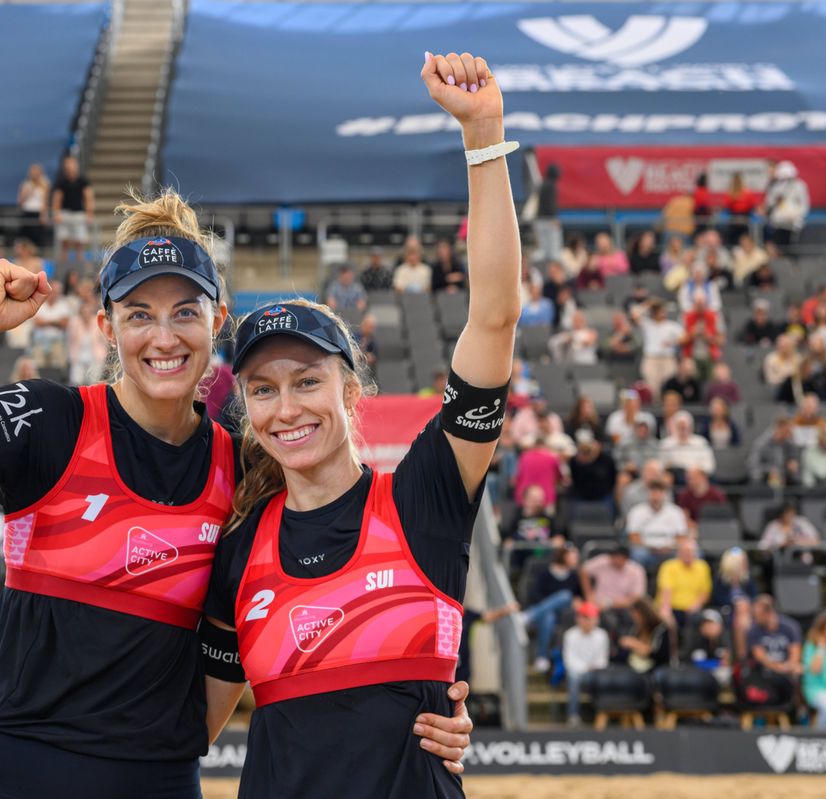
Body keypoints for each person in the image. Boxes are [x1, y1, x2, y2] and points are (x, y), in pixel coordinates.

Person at [0, 186, 473, 797]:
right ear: (106, 326)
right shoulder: (47, 421)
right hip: (12, 770)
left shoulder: (245, 472)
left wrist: (425, 706)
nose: (164, 337)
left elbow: (314, 606)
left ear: (216, 320)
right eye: (139, 314)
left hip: (154, 781)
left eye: (184, 312)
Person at [200, 53, 517, 797]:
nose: (288, 408)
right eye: (264, 389)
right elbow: (186, 726)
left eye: (308, 381)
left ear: (351, 391)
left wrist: (485, 135)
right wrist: (27, 685)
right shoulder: (240, 549)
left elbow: (495, 321)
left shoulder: (424, 497)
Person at [519, 546, 584, 674]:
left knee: (565, 595)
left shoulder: (575, 575)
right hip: (545, 613)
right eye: (573, 556)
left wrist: (577, 600)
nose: (576, 559)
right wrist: (550, 604)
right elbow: (535, 594)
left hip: (564, 612)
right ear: (564, 556)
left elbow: (578, 595)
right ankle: (541, 657)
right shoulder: (545, 572)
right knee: (548, 617)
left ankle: (529, 616)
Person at [562, 601, 608, 727]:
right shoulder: (570, 635)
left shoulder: (602, 635)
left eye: (591, 618)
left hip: (595, 672)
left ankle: (602, 714)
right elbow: (569, 660)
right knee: (573, 676)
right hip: (578, 672)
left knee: (603, 677)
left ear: (596, 620)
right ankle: (573, 715)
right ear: (578, 619)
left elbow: (602, 660)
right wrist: (586, 668)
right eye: (585, 618)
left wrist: (593, 668)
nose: (588, 621)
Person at [625, 479, 687, 569]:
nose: (656, 496)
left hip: (670, 549)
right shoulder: (637, 511)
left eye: (659, 492)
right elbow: (633, 536)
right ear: (647, 493)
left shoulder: (676, 512)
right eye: (653, 492)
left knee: (692, 553)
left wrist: (668, 547)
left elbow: (681, 537)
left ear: (665, 494)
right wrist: (651, 548)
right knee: (637, 554)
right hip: (646, 549)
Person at [655, 536, 712, 628]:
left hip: (692, 609)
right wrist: (666, 609)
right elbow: (666, 590)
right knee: (665, 620)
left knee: (701, 620)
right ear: (679, 553)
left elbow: (705, 592)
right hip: (672, 607)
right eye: (685, 551)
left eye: (691, 552)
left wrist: (695, 605)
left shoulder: (702, 567)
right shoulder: (669, 566)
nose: (688, 554)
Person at [51, 155, 94, 262]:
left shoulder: (83, 181)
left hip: (78, 214)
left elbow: (88, 197)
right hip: (65, 214)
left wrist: (89, 214)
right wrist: (56, 213)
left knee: (80, 243)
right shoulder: (61, 182)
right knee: (64, 243)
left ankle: (79, 268)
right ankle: (64, 268)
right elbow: (57, 198)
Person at [763, 160, 809, 253]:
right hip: (778, 223)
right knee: (779, 248)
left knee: (793, 249)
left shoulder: (800, 186)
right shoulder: (775, 187)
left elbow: (804, 204)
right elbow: (769, 203)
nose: (787, 181)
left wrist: (797, 216)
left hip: (794, 223)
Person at [617, 597, 671, 674]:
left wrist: (637, 645)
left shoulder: (661, 630)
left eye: (637, 615)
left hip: (655, 668)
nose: (635, 618)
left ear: (645, 613)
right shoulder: (635, 628)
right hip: (633, 666)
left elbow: (663, 657)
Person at [802, 609, 826, 731]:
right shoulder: (812, 646)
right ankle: (821, 738)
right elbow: (815, 670)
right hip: (816, 690)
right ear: (823, 629)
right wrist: (821, 649)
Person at [533, 163, 561, 262]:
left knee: (543, 250)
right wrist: (554, 218)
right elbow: (550, 204)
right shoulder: (551, 186)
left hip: (539, 219)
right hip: (549, 220)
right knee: (553, 251)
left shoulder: (542, 184)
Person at [18, 163, 51, 248]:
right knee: (26, 237)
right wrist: (28, 191)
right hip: (27, 212)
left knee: (38, 237)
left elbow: (45, 201)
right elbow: (20, 201)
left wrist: (43, 215)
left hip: (38, 212)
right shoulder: (26, 184)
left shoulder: (45, 184)